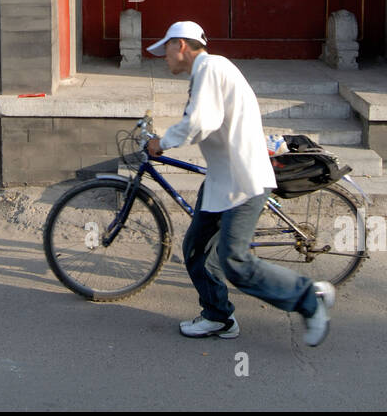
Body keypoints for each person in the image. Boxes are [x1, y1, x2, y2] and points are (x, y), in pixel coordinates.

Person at [144, 20, 336, 346]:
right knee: (195, 249)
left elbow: (203, 121)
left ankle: (308, 298)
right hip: (221, 180)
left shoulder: (211, 67)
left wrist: (163, 141)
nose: (164, 57)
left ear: (181, 45)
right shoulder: (207, 70)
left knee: (234, 262)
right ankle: (218, 316)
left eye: (166, 50)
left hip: (243, 182)